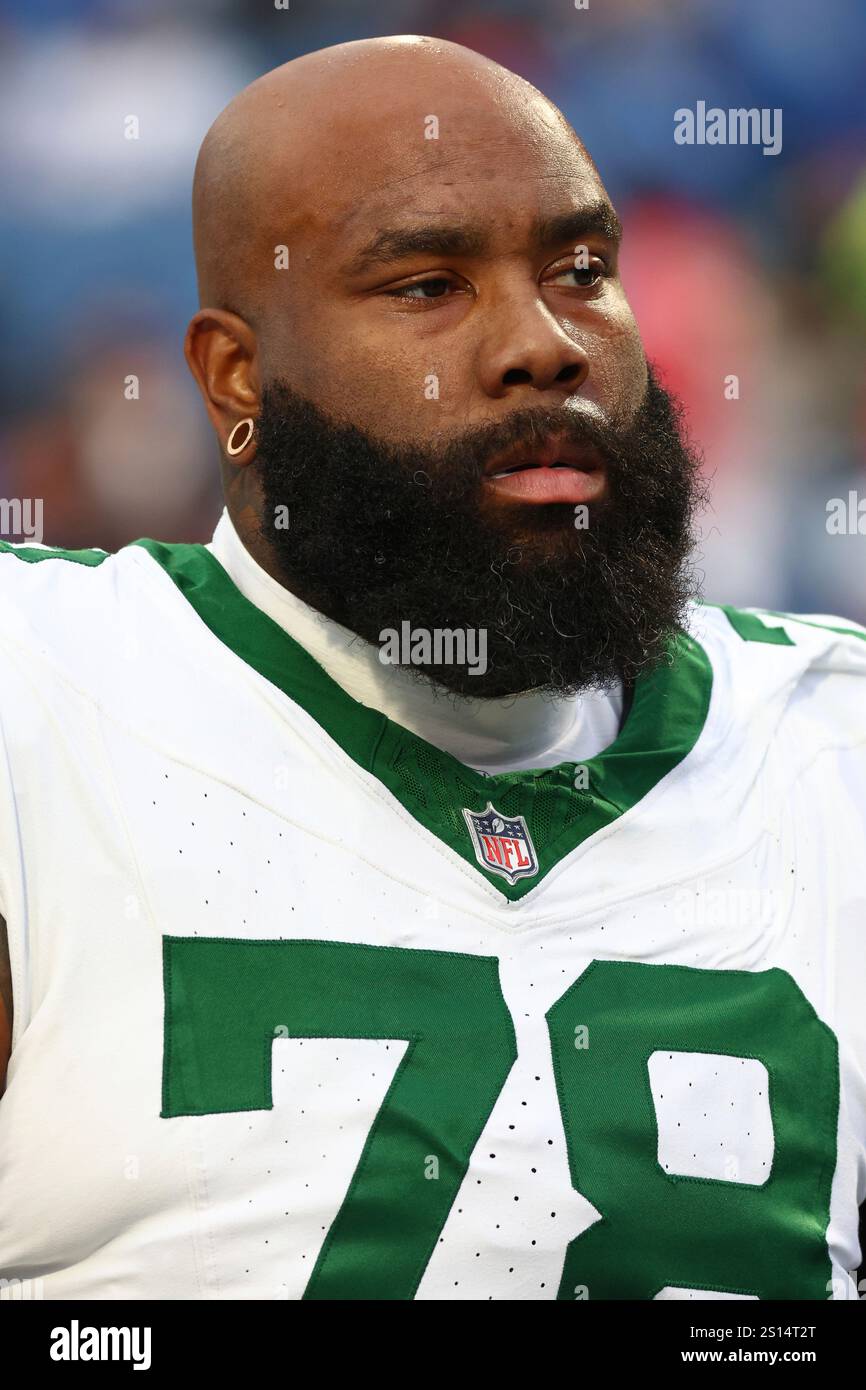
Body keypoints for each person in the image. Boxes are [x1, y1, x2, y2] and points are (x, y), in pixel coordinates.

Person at [0, 35, 863, 1301]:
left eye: (580, 269)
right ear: (235, 377)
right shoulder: (42, 691)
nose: (544, 344)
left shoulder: (829, 741)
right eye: (425, 285)